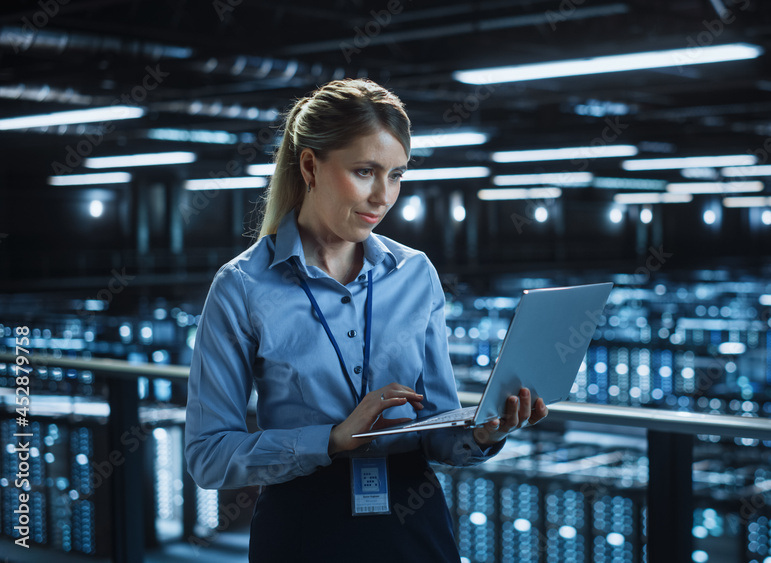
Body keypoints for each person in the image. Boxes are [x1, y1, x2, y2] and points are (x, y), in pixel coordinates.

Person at [184, 78, 548, 561]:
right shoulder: (242, 286)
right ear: (310, 165)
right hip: (304, 528)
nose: (382, 196)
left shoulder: (416, 274)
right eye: (364, 171)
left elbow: (437, 428)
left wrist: (483, 433)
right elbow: (208, 458)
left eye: (396, 175)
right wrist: (331, 441)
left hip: (413, 524)